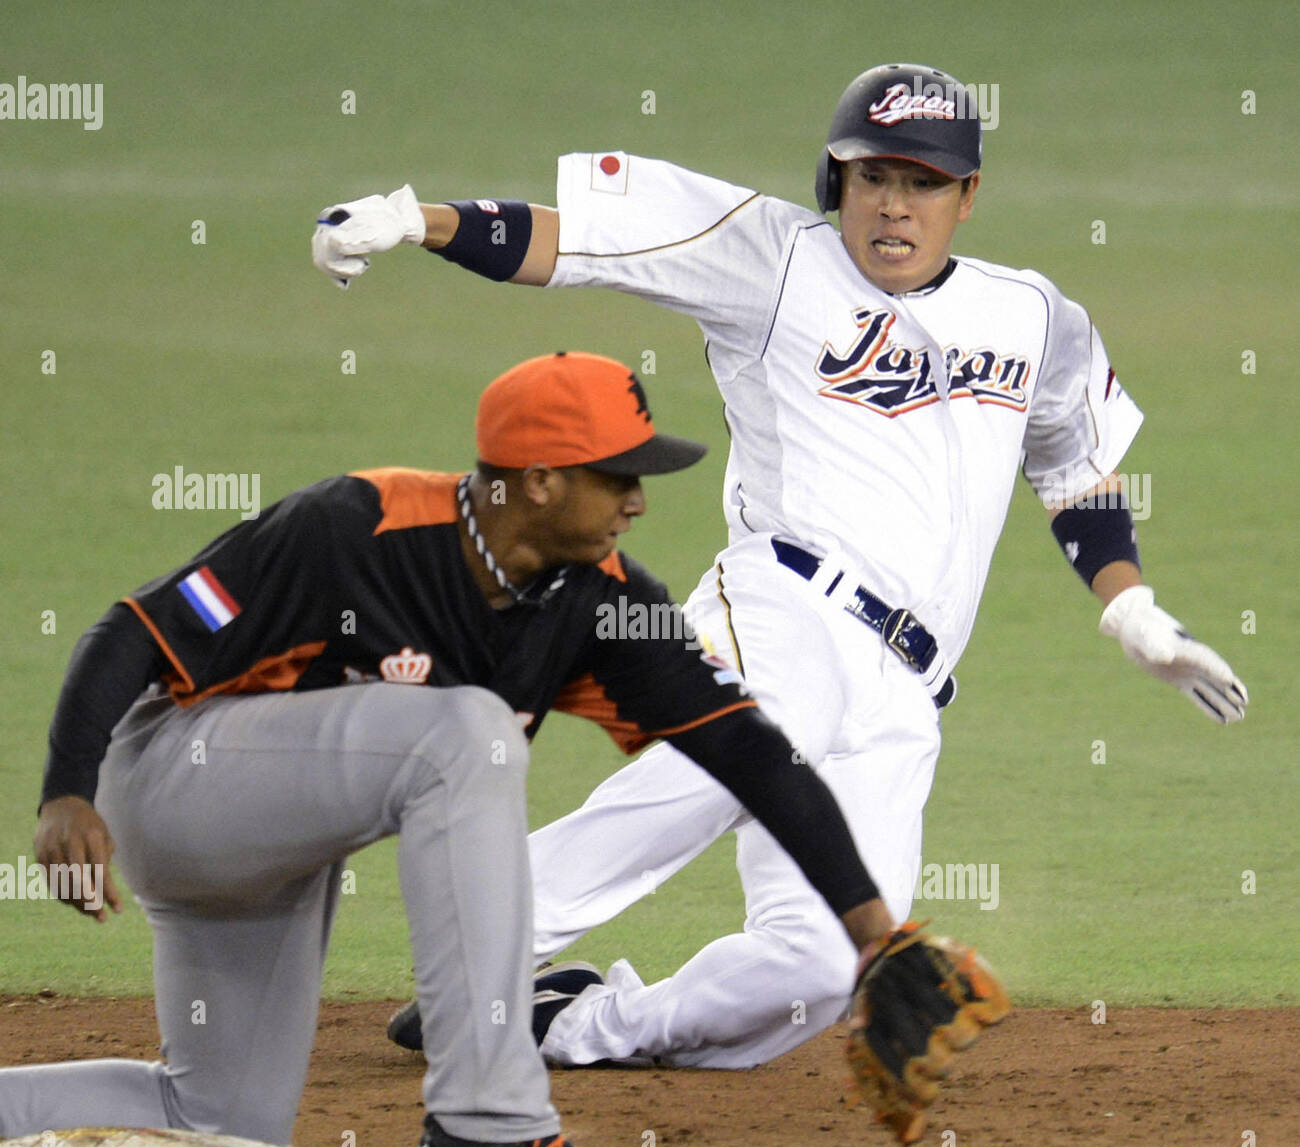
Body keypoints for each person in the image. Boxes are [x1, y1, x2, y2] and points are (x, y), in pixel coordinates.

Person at [312, 62, 1248, 1072]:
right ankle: (486, 933)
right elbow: (580, 240)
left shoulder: (1033, 316)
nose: (894, 204)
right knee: (717, 764)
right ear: (835, 178)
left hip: (907, 694)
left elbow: (1073, 466)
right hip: (787, 603)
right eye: (871, 175)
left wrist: (1133, 608)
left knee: (824, 966)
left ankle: (564, 1025)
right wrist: (418, 222)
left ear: (967, 197)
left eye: (924, 182)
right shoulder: (771, 259)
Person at [4, 352, 906, 1147]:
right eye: (618, 475)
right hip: (172, 782)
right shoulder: (350, 528)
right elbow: (131, 632)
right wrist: (64, 794)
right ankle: (487, 1130)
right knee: (467, 730)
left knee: (221, 1130)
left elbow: (750, 751)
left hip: (271, 850)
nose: (637, 500)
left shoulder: (603, 599)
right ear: (542, 478)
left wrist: (877, 939)